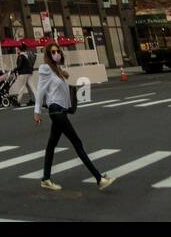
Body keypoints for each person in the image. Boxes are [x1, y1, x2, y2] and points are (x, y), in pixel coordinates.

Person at [34, 43, 114, 191]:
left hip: (61, 111)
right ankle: (99, 179)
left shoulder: (57, 70)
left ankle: (45, 179)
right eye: (53, 52)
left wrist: (62, 75)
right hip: (55, 110)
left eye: (58, 51)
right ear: (48, 54)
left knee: (51, 145)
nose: (56, 54)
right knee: (77, 142)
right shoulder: (46, 69)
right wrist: (37, 111)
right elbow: (40, 90)